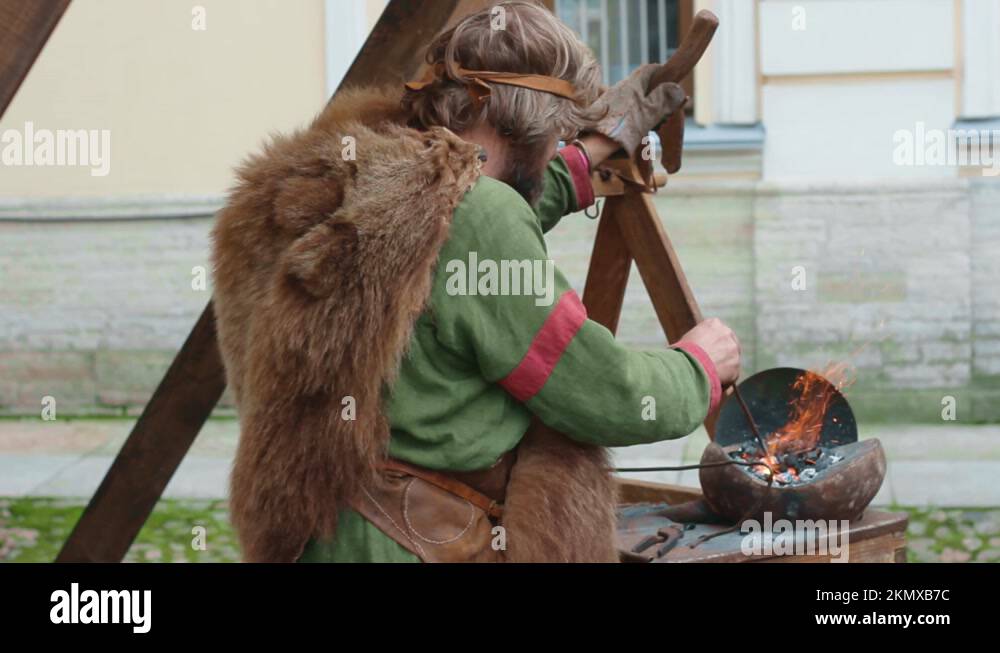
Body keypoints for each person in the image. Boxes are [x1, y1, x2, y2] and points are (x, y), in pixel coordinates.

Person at [211, 0, 741, 563]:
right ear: (530, 121)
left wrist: (590, 156)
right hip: (423, 541)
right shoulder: (478, 214)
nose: (554, 150)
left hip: (329, 532)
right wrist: (697, 366)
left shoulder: (361, 174)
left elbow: (462, 215)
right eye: (557, 134)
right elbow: (604, 394)